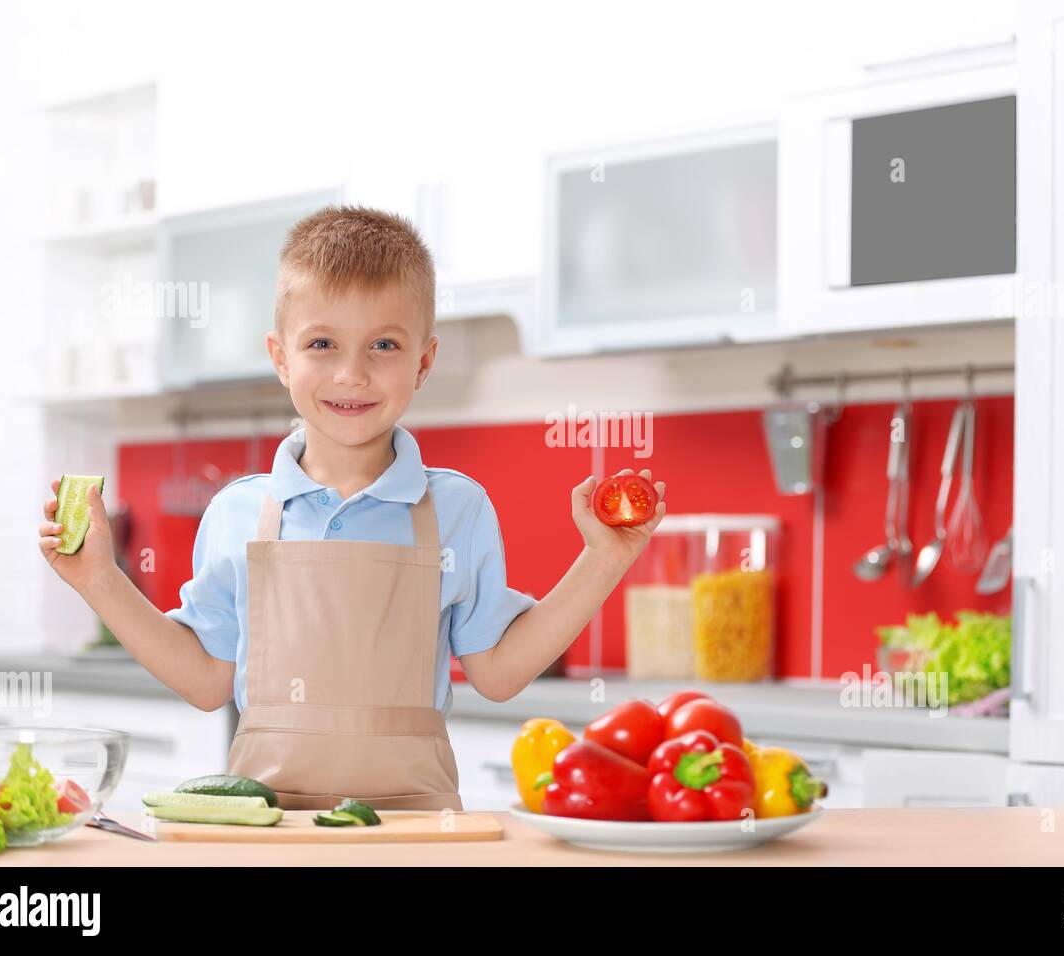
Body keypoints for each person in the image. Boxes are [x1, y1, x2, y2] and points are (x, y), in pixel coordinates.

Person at [38, 205, 665, 811]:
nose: (352, 374)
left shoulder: (458, 508)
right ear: (281, 358)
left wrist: (604, 558)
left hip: (417, 829)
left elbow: (498, 673)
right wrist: (99, 579)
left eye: (384, 346)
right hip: (267, 829)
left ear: (424, 362)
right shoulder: (236, 511)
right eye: (321, 344)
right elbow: (205, 679)